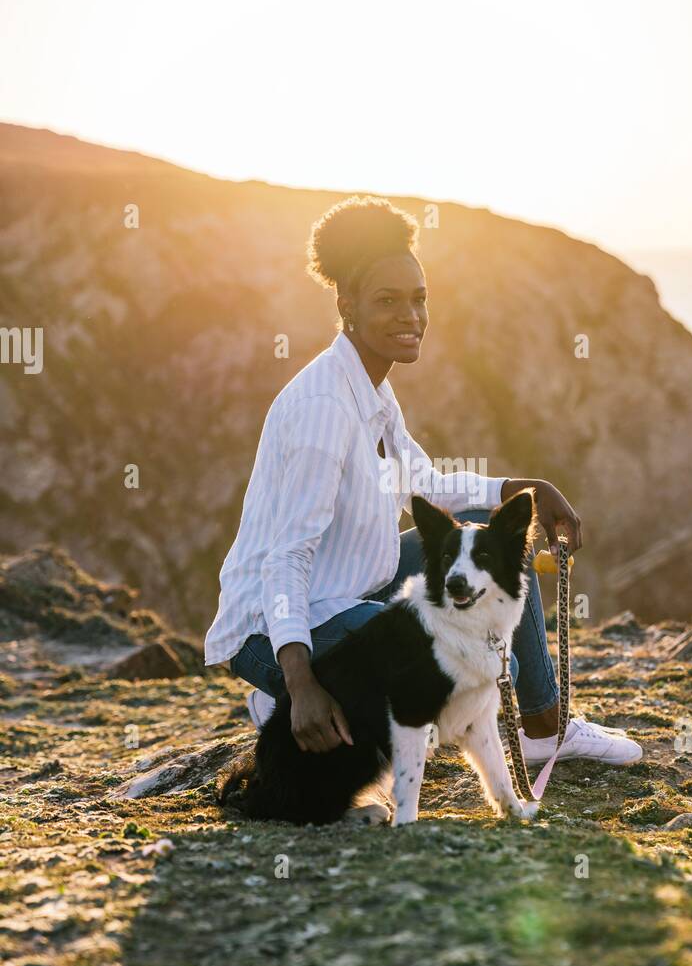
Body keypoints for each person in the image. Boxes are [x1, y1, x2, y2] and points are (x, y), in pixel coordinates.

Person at [205, 195, 641, 775]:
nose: (410, 316)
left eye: (419, 299)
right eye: (388, 301)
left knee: (491, 546)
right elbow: (284, 562)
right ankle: (281, 697)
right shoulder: (324, 409)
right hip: (273, 628)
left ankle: (543, 729)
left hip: (346, 592)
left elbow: (425, 484)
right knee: (426, 649)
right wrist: (302, 682)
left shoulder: (373, 391)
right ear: (347, 305)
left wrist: (523, 486)